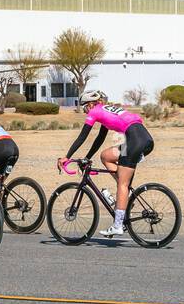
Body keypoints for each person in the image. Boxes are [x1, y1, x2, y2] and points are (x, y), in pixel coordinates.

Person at [59, 90, 154, 238]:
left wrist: (67, 156)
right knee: (106, 156)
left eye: (84, 108)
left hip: (135, 141)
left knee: (122, 184)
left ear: (90, 104)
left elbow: (82, 136)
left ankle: (117, 225)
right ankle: (125, 191)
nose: (85, 112)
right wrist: (87, 157)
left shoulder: (94, 112)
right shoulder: (104, 110)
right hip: (144, 139)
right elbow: (100, 138)